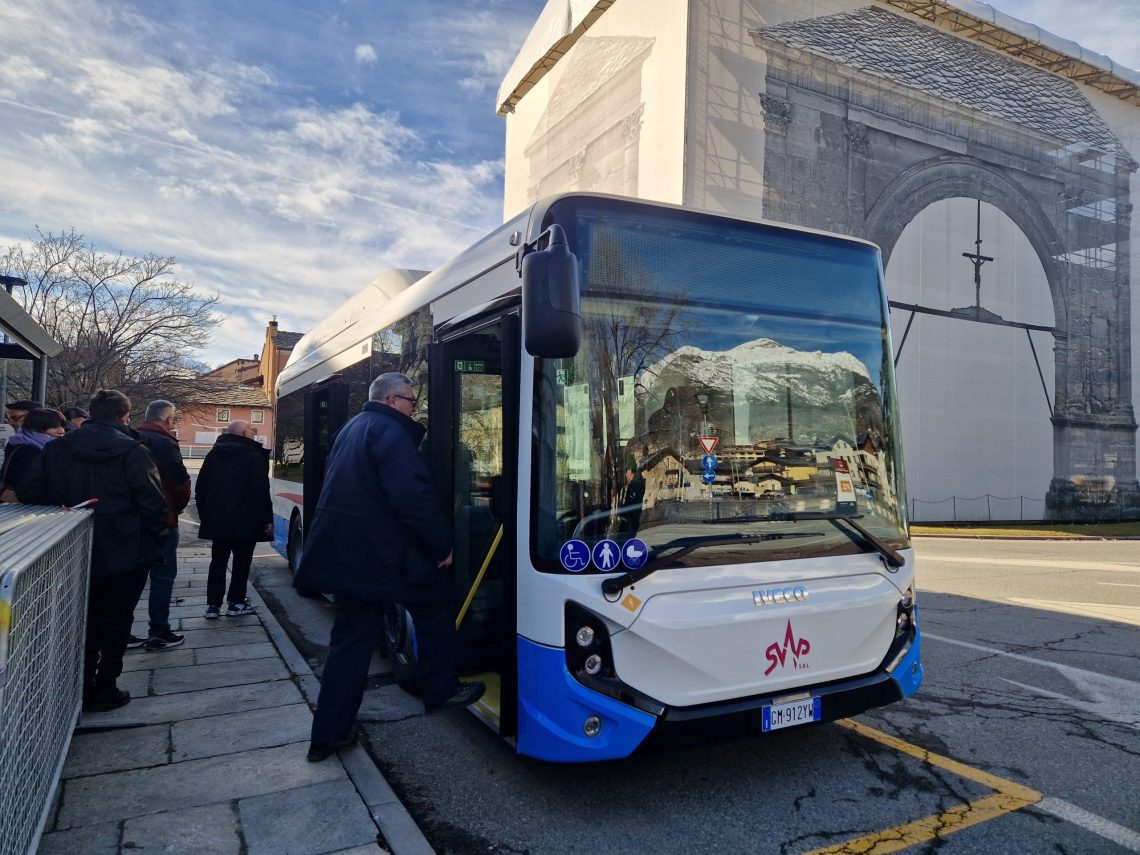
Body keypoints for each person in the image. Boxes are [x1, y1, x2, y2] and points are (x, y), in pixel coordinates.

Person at [295, 372, 484, 762]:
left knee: (348, 646)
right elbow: (411, 496)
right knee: (436, 601)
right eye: (412, 402)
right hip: (376, 558)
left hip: (349, 556)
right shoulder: (391, 433)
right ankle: (441, 689)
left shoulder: (354, 428)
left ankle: (326, 736)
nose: (414, 410)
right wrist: (442, 544)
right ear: (395, 400)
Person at [17, 389, 167, 712]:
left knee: (81, 620)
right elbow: (154, 504)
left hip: (70, 551)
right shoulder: (134, 451)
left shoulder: (57, 449)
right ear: (124, 417)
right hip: (126, 553)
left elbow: (29, 491)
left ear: (91, 413)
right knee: (117, 621)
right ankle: (106, 686)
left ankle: (79, 686)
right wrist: (157, 538)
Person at [194, 420, 273, 619]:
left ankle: (213, 606)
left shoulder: (214, 454)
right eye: (252, 431)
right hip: (246, 521)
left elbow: (200, 488)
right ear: (245, 433)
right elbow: (260, 492)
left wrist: (206, 514)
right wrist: (267, 519)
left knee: (218, 562)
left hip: (218, 520)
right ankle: (236, 603)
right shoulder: (253, 455)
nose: (254, 434)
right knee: (241, 562)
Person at [136, 400, 192, 650]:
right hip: (162, 520)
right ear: (169, 419)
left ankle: (121, 633)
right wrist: (175, 509)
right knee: (162, 576)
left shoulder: (132, 437)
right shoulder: (165, 442)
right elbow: (180, 484)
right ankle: (159, 631)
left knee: (133, 577)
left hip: (132, 521)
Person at [0, 408, 66, 501]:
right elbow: (30, 486)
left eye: (62, 426)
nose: (62, 431)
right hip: (22, 507)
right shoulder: (29, 451)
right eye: (55, 426)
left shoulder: (21, 443)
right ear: (38, 427)